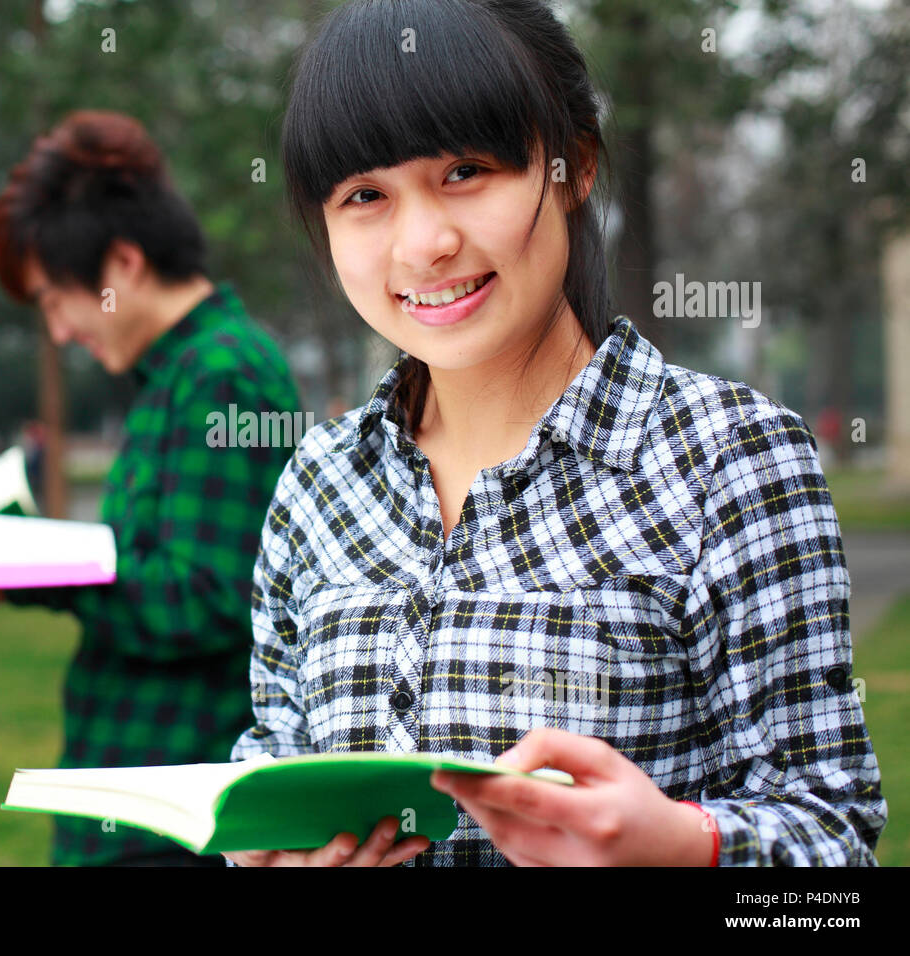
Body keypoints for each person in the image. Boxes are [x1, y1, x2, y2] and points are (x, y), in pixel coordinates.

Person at [225, 0, 886, 867]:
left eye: (466, 171)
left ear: (572, 167)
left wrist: (688, 848)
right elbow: (272, 748)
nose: (426, 242)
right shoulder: (318, 482)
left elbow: (832, 858)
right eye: (366, 196)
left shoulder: (729, 459)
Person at [0, 109, 302, 866]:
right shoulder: (173, 377)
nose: (60, 333)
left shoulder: (221, 375)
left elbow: (208, 599)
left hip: (171, 819)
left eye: (55, 302)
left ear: (123, 263)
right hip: (132, 804)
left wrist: (43, 569)